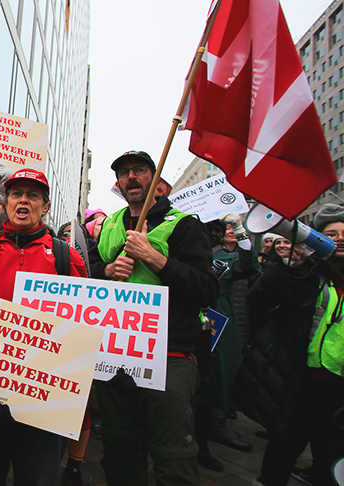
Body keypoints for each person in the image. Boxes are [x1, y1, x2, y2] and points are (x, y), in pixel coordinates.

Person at [89, 150, 218, 486]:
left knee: (173, 460)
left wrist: (155, 259)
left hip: (168, 360)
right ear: (117, 183)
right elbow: (82, 273)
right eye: (124, 173)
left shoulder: (185, 226)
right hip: (115, 359)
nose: (131, 177)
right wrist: (106, 269)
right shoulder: (110, 226)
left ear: (156, 180)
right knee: (119, 454)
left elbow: (206, 288)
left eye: (140, 170)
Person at [0, 168, 86, 486]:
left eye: (32, 195)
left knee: (37, 478)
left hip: (42, 399)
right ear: (4, 202)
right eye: (16, 193)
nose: (23, 200)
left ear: (44, 207)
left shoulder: (65, 257)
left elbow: (83, 326)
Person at [235, 203, 344, 486]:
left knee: (331, 452)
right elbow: (258, 301)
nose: (340, 238)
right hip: (300, 379)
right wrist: (285, 267)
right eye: (331, 234)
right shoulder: (305, 273)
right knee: (285, 444)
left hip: (339, 386)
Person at [195, 215, 259, 472]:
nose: (213, 234)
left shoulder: (229, 259)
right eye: (207, 229)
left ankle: (205, 441)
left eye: (218, 230)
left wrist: (242, 233)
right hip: (187, 318)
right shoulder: (184, 253)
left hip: (216, 322)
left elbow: (249, 265)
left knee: (212, 380)